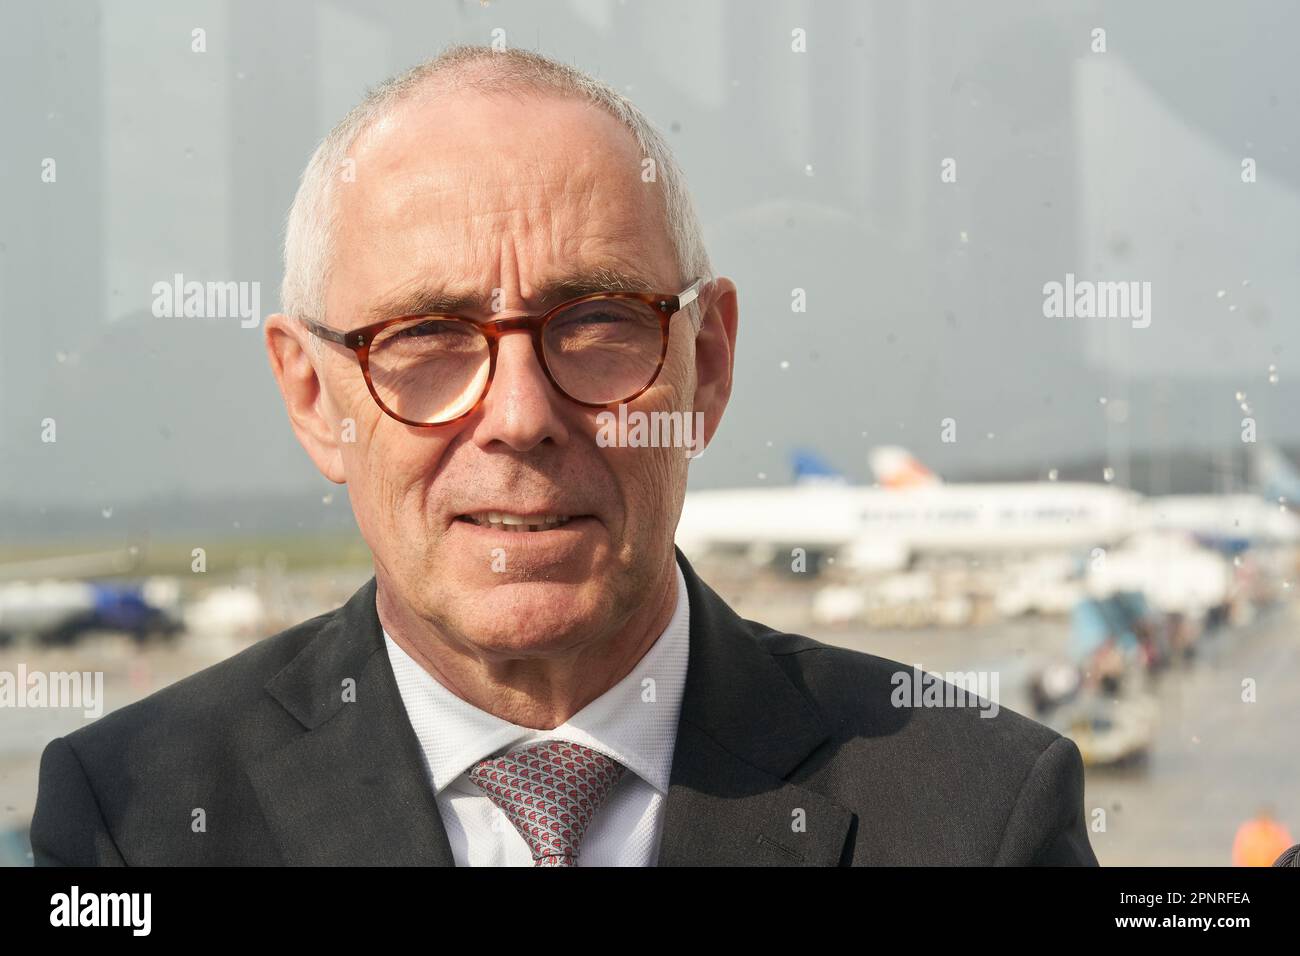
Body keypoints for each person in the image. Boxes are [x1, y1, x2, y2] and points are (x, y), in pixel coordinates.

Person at [31, 45, 1097, 866]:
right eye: (427, 338)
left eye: (595, 322)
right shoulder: (134, 815)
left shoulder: (979, 812)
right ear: (313, 397)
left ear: (707, 363)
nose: (520, 414)